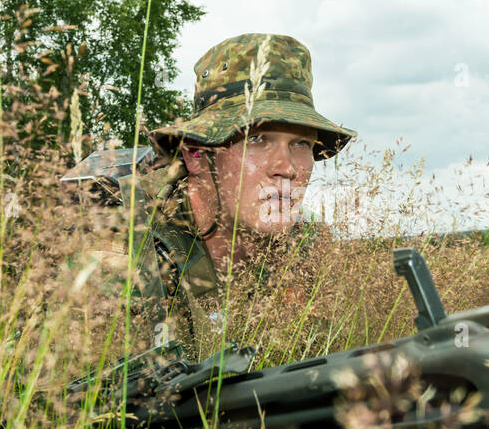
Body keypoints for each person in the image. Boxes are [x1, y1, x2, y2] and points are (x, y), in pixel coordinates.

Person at [69, 32, 356, 360]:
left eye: (301, 144)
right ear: (195, 156)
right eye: (257, 139)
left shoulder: (307, 245)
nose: (287, 168)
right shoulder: (122, 260)